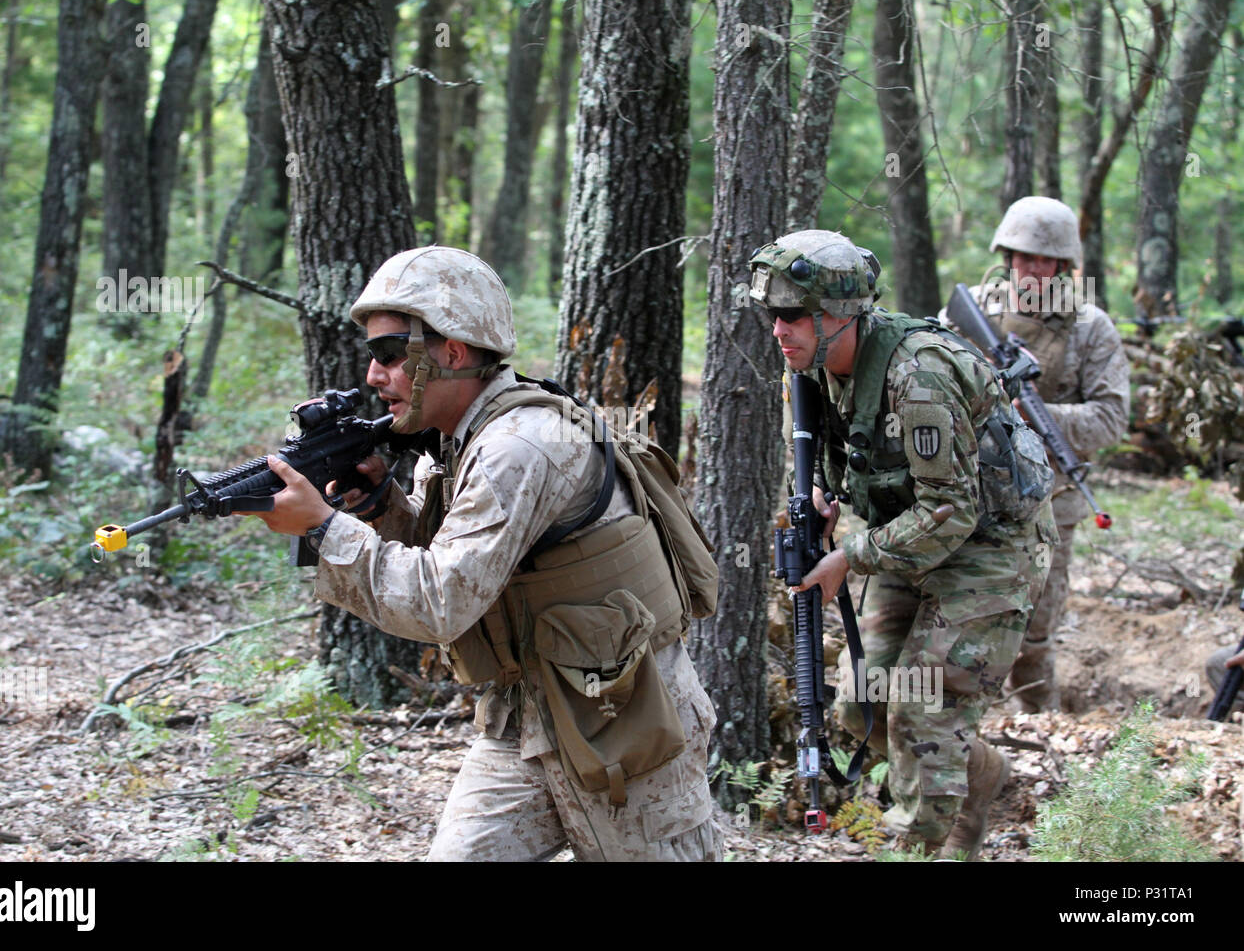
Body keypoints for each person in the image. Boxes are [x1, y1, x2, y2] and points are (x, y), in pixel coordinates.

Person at [247, 246, 720, 862]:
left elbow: (439, 603)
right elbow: (462, 559)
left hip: (626, 720)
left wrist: (326, 528)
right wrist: (386, 504)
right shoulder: (455, 443)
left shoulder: (517, 447)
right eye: (374, 356)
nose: (373, 376)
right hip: (525, 724)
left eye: (389, 354)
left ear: (453, 351)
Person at [751, 229, 1057, 859]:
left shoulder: (919, 375)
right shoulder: (809, 369)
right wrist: (817, 494)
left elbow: (952, 509)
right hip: (910, 534)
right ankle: (977, 772)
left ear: (840, 316)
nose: (779, 329)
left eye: (792, 316)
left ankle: (921, 847)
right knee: (864, 700)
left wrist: (850, 557)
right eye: (772, 315)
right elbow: (819, 459)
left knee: (925, 708)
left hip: (990, 545)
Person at [949, 196, 1130, 712]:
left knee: (1034, 630)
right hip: (970, 494)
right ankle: (966, 730)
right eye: (1025, 258)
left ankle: (1041, 723)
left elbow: (1111, 419)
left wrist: (1034, 413)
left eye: (1046, 261)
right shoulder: (969, 313)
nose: (1034, 270)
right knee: (962, 624)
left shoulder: (1090, 327)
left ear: (1065, 266)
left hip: (1051, 499)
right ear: (1007, 256)